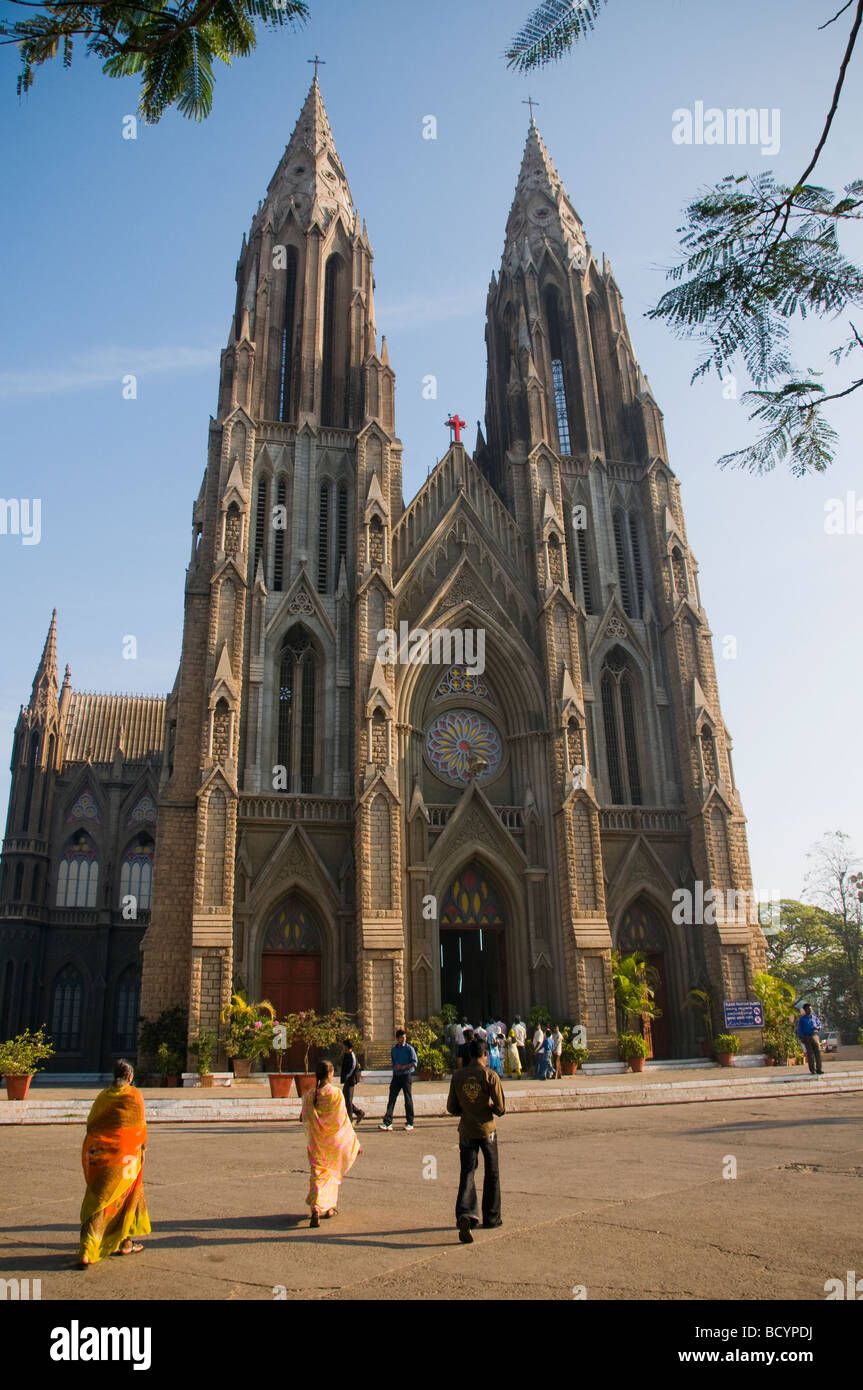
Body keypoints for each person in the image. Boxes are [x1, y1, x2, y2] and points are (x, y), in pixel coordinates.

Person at [77, 1058, 150, 1267]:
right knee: (126, 1198)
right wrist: (142, 1148)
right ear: (131, 1077)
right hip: (126, 1159)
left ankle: (87, 1247)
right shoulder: (134, 1095)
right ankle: (125, 1241)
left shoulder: (103, 1097)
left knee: (99, 1202)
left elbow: (91, 1125)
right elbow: (139, 1127)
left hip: (100, 1159)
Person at [446, 1038, 506, 1242]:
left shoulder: (458, 1076)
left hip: (466, 1131)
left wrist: (466, 1107)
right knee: (492, 1173)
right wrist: (488, 1107)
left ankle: (465, 1214)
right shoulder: (490, 1076)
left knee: (467, 1173)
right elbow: (501, 1109)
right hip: (487, 1131)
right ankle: (491, 1217)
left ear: (469, 1055)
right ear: (485, 1055)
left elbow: (451, 1108)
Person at [301, 1059, 361, 1227]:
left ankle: (316, 1209)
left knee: (317, 1175)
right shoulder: (335, 1093)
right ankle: (328, 1208)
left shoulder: (310, 1095)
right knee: (332, 1174)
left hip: (316, 1142)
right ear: (329, 1074)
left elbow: (303, 1117)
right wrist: (354, 1142)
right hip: (333, 1142)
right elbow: (343, 1120)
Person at [379, 1027, 418, 1130]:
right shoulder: (394, 1050)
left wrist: (403, 1067)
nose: (403, 1039)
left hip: (406, 1076)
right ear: (398, 1038)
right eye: (401, 1038)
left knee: (407, 1099)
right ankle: (388, 1122)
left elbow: (414, 1063)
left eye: (405, 1037)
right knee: (391, 1099)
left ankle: (410, 1122)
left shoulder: (409, 1049)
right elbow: (393, 1062)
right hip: (396, 1076)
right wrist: (396, 1067)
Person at [340, 1037, 365, 1125]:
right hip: (347, 1080)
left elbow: (353, 1067)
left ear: (347, 1046)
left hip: (351, 1080)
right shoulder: (346, 1054)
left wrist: (347, 1076)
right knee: (344, 1098)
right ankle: (358, 1112)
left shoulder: (352, 1055)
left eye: (344, 1046)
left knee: (348, 1099)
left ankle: (350, 1119)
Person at [796, 1004, 824, 1075]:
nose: (810, 1010)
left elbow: (819, 1025)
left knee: (818, 1052)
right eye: (808, 1009)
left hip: (814, 1035)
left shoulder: (814, 1018)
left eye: (811, 1009)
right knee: (810, 1054)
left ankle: (819, 1069)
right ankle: (812, 1070)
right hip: (807, 1037)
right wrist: (802, 1038)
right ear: (805, 1010)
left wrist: (817, 1028)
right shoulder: (802, 1019)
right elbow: (800, 1030)